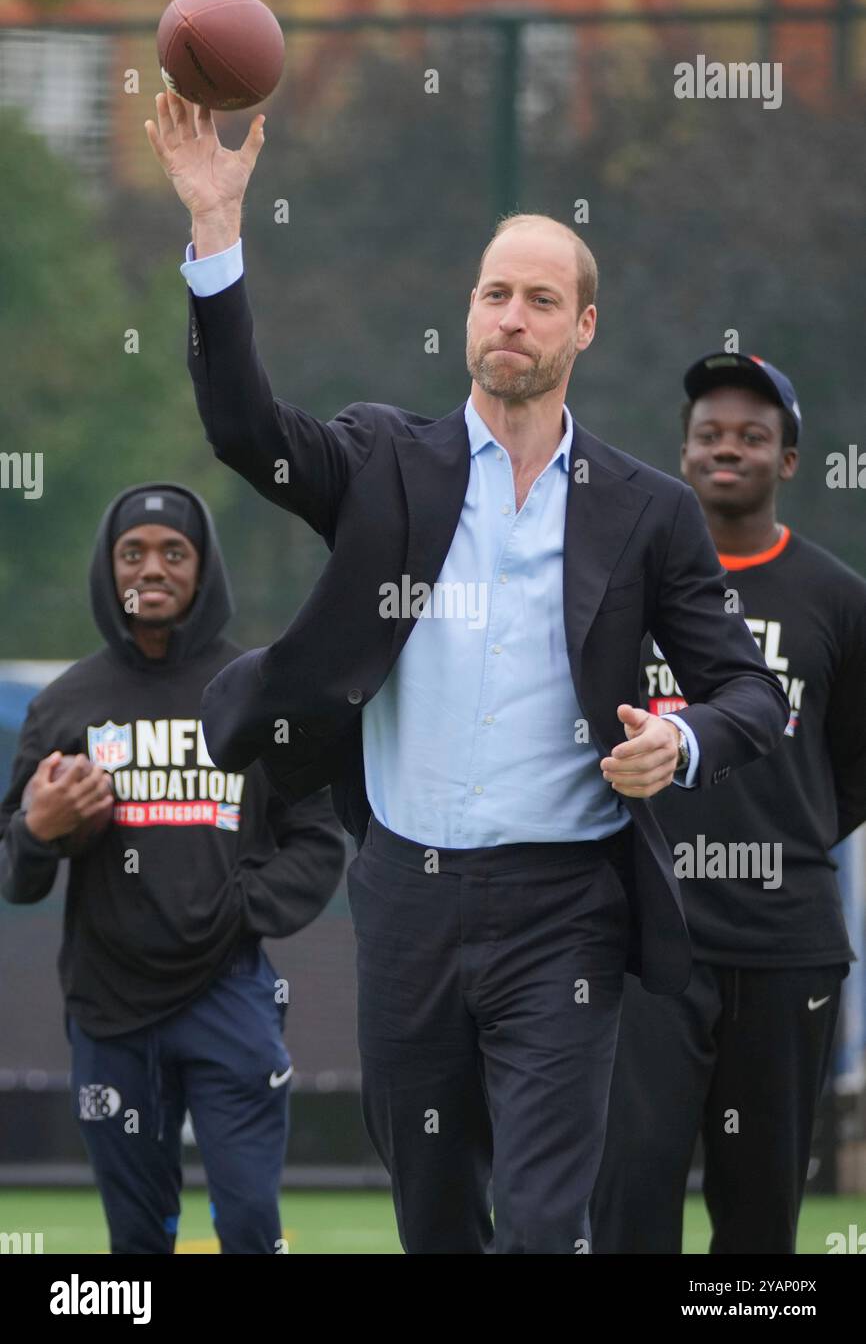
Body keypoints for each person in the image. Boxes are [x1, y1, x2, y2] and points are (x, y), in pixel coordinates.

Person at [145, 92, 789, 1254]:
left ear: (582, 328)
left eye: (541, 299)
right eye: (495, 293)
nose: (512, 316)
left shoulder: (646, 512)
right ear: (467, 314)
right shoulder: (384, 462)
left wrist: (678, 741)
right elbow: (244, 429)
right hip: (406, 896)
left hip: (568, 910)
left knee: (544, 1226)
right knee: (435, 1219)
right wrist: (214, 228)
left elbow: (750, 692)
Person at [0, 483, 345, 1254]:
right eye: (133, 553)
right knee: (137, 1238)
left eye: (173, 552)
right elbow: (15, 874)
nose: (151, 568)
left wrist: (238, 906)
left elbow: (317, 838)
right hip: (108, 1009)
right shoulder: (64, 706)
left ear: (203, 569)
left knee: (250, 1225)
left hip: (230, 999)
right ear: (109, 570)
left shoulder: (258, 691)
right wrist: (39, 828)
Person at [591, 353, 866, 1254]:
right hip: (647, 938)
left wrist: (787, 836)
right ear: (683, 452)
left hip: (786, 944)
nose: (728, 449)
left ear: (789, 460)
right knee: (632, 1197)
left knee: (759, 1222)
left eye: (754, 436)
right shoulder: (623, 589)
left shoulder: (838, 598)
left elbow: (853, 769)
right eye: (710, 434)